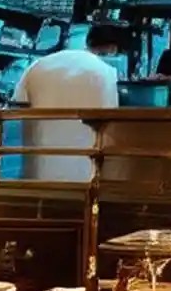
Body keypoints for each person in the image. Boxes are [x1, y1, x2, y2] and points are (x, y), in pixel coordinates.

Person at [11, 23, 122, 180]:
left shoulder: (38, 65)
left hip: (38, 174)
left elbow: (17, 111)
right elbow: (111, 124)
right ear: (112, 49)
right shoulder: (107, 73)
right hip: (83, 174)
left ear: (88, 41)